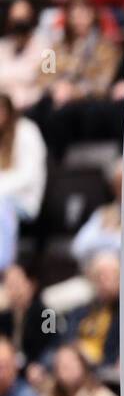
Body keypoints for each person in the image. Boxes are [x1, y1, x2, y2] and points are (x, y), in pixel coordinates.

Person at [0, 93, 48, 272]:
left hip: (24, 199)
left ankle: (4, 267)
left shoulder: (27, 131)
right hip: (4, 193)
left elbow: (28, 176)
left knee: (1, 206)